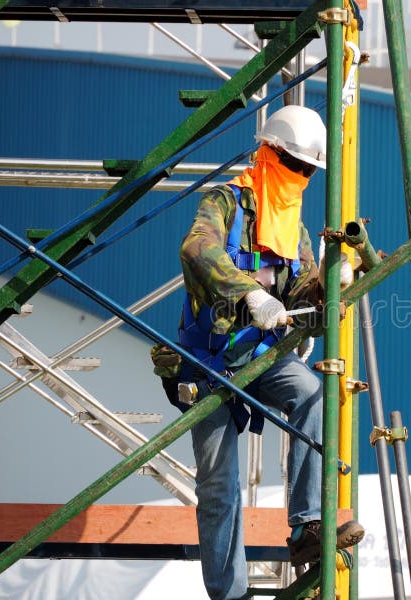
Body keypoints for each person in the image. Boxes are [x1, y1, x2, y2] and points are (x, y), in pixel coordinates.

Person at [151, 105, 364, 600]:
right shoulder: (224, 203)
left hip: (262, 357)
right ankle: (230, 594)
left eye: (309, 171)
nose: (302, 177)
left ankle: (307, 524)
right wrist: (249, 292)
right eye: (296, 165)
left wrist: (330, 282)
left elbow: (304, 286)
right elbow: (197, 249)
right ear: (268, 153)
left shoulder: (294, 228)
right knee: (220, 488)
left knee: (314, 393)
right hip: (207, 363)